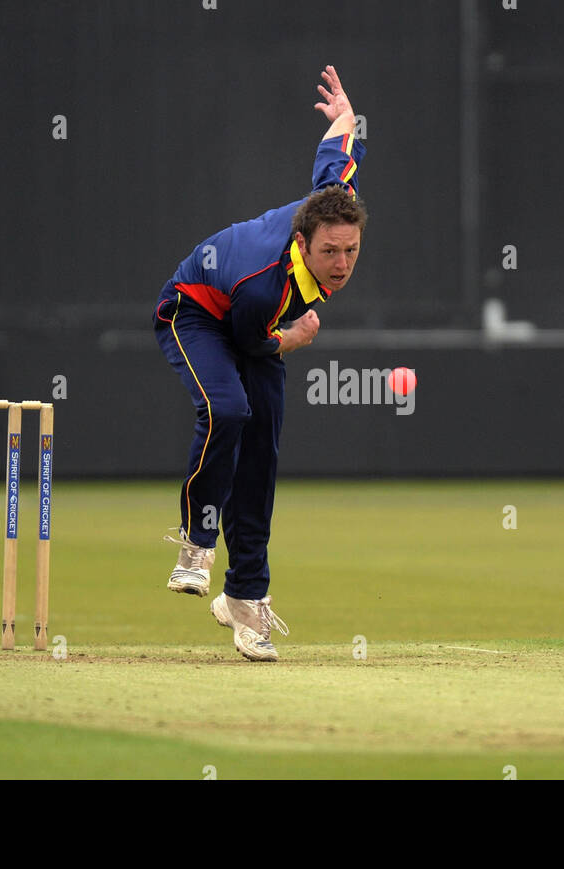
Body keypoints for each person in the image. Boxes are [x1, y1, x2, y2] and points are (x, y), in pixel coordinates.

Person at [155, 65, 367, 662]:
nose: (342, 263)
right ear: (303, 245)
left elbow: (337, 158)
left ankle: (245, 597)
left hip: (264, 325)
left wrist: (344, 117)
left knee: (262, 455)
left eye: (351, 251)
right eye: (330, 252)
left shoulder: (338, 208)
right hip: (196, 313)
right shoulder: (263, 283)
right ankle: (195, 544)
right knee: (228, 409)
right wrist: (293, 341)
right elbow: (252, 342)